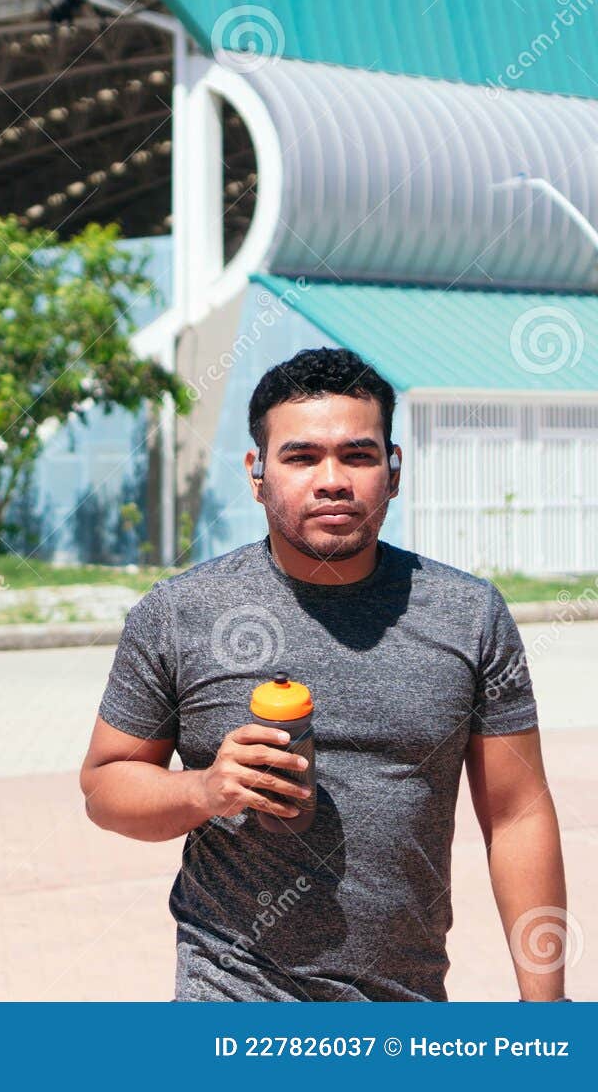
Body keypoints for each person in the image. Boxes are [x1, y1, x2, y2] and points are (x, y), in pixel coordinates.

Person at [78, 347, 570, 1001]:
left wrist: (548, 1007)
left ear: (393, 472)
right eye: (302, 456)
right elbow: (105, 786)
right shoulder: (179, 613)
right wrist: (205, 789)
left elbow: (518, 813)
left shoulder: (468, 615)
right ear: (257, 473)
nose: (332, 479)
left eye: (358, 455)